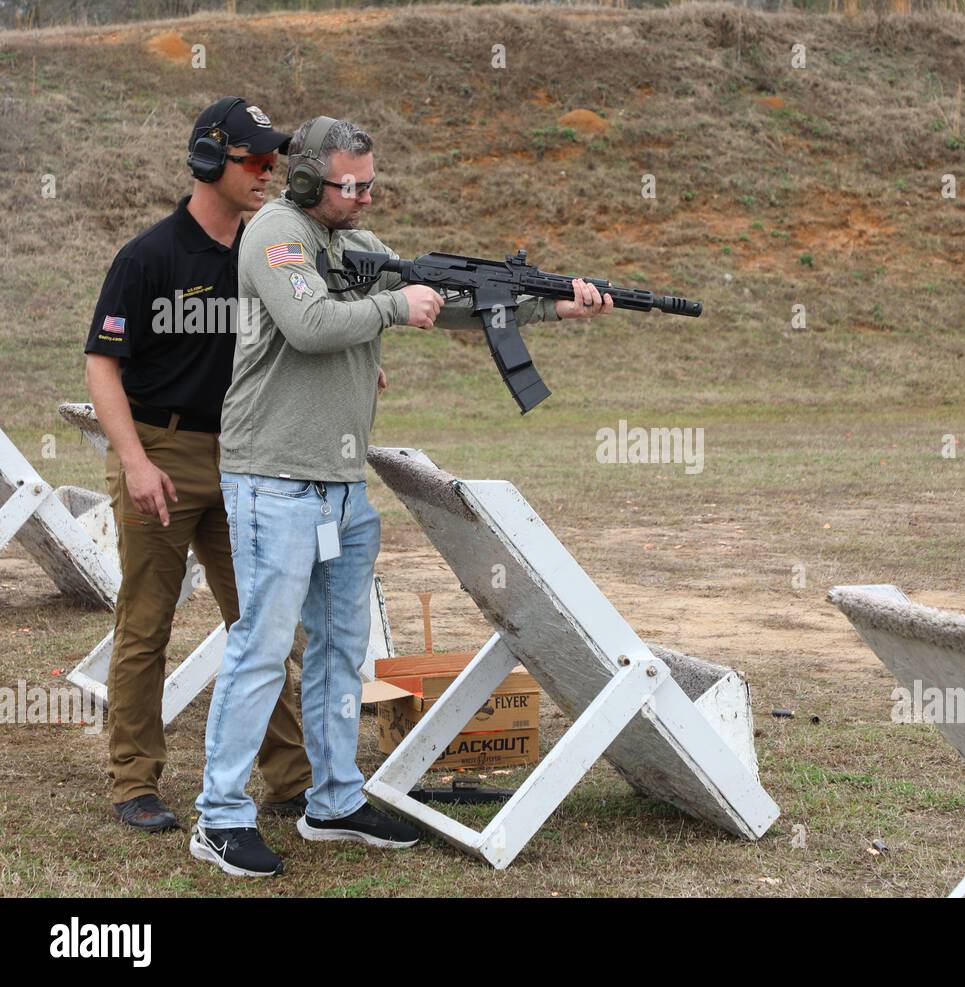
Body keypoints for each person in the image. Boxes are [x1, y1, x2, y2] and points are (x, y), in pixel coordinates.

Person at [190, 115, 614, 876]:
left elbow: (444, 303)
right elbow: (310, 322)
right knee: (261, 649)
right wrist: (394, 306)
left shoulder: (359, 246)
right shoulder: (275, 235)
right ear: (311, 178)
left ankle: (334, 799)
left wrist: (550, 305)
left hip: (342, 488)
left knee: (340, 649)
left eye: (372, 183)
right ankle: (219, 817)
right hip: (273, 479)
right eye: (350, 186)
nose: (365, 198)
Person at [83, 98, 314, 833]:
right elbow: (101, 366)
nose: (268, 173)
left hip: (248, 453)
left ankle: (291, 780)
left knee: (265, 621)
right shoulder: (148, 256)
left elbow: (299, 334)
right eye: (254, 160)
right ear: (211, 161)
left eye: (273, 161)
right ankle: (134, 781)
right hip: (163, 451)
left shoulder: (267, 254)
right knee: (146, 622)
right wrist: (135, 461)